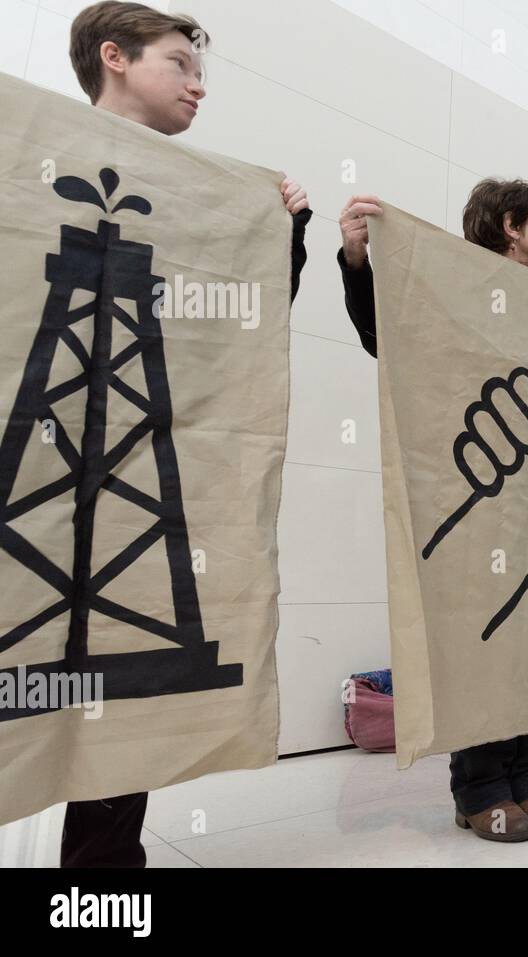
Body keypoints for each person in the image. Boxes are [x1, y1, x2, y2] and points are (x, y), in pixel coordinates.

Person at [59, 1, 312, 869]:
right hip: (46, 443)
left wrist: (281, 233)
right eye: (180, 64)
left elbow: (242, 320)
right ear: (115, 58)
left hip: (131, 454)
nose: (198, 86)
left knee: (121, 684)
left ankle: (99, 882)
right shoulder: (31, 153)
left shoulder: (198, 193)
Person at [337, 179, 528, 841]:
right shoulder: (454, 290)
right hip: (475, 494)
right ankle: (479, 787)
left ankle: (526, 775)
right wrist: (359, 262)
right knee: (485, 640)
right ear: (510, 226)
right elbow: (389, 335)